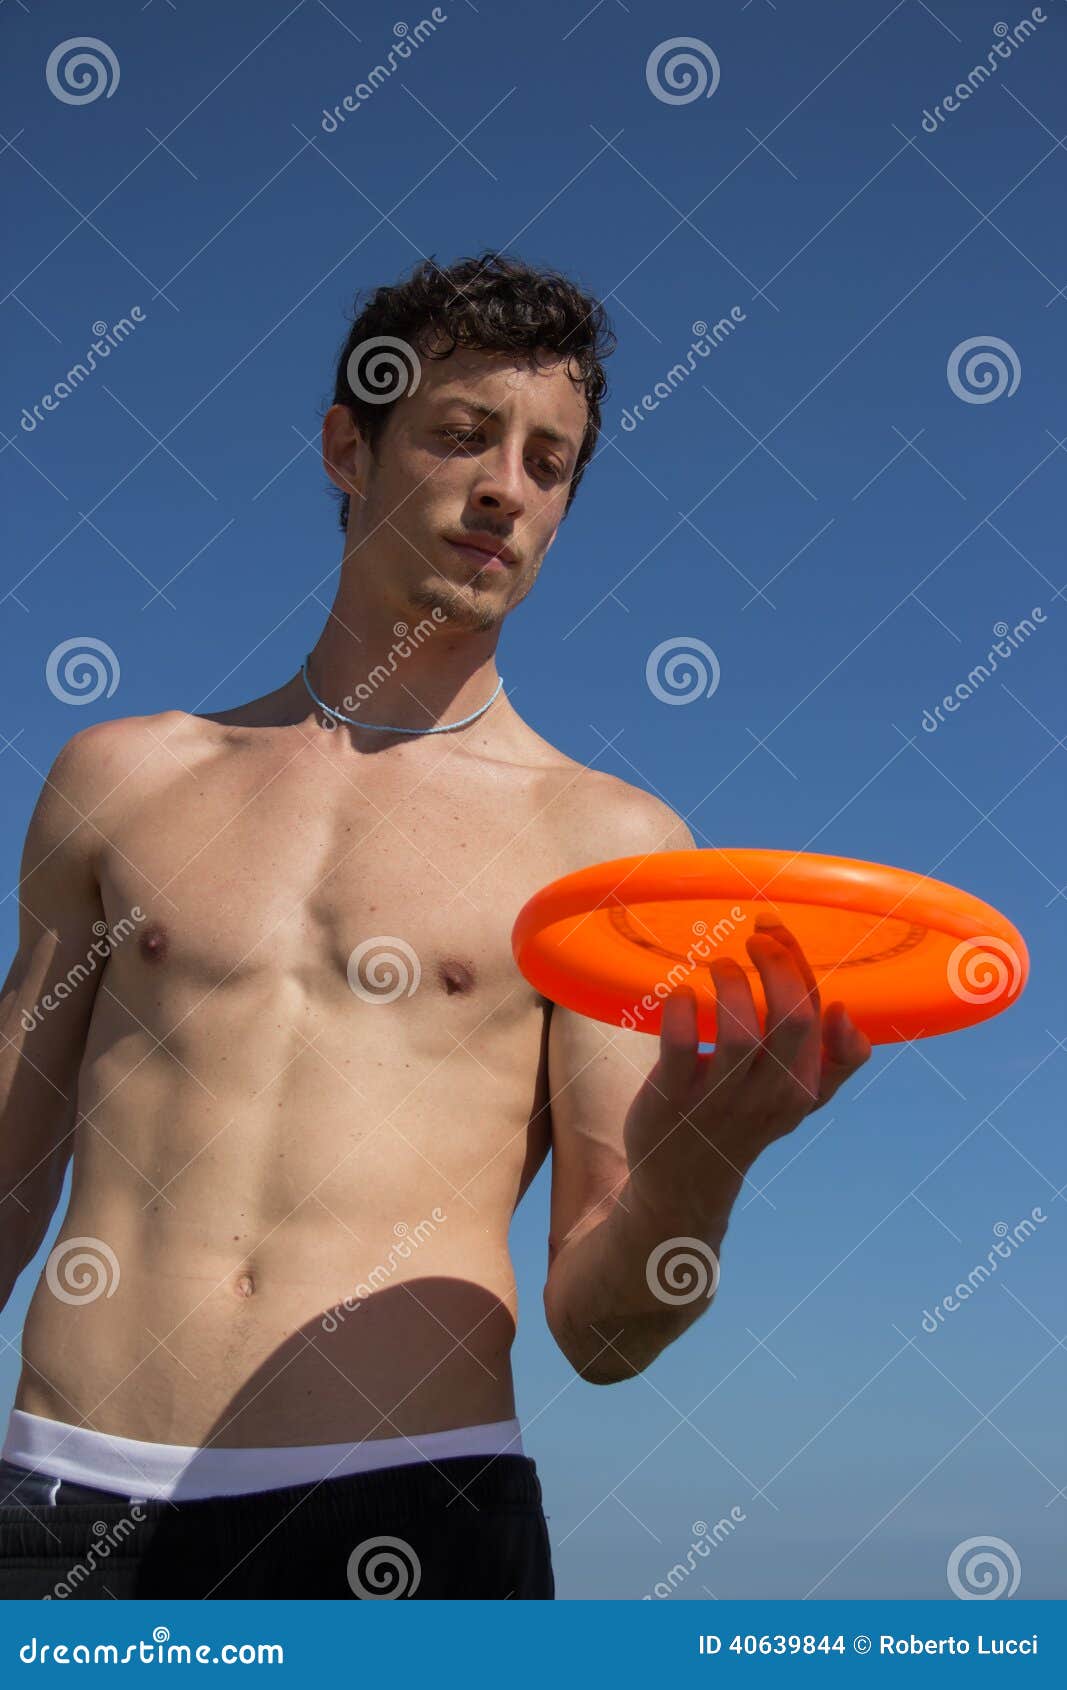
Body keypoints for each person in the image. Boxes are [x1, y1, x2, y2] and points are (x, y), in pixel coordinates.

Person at [0, 251, 871, 1600]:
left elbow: (605, 1330)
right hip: (65, 1502)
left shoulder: (608, 851)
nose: (505, 488)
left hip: (412, 1508)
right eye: (463, 435)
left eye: (549, 460)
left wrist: (705, 1167)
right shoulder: (120, 780)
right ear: (351, 446)